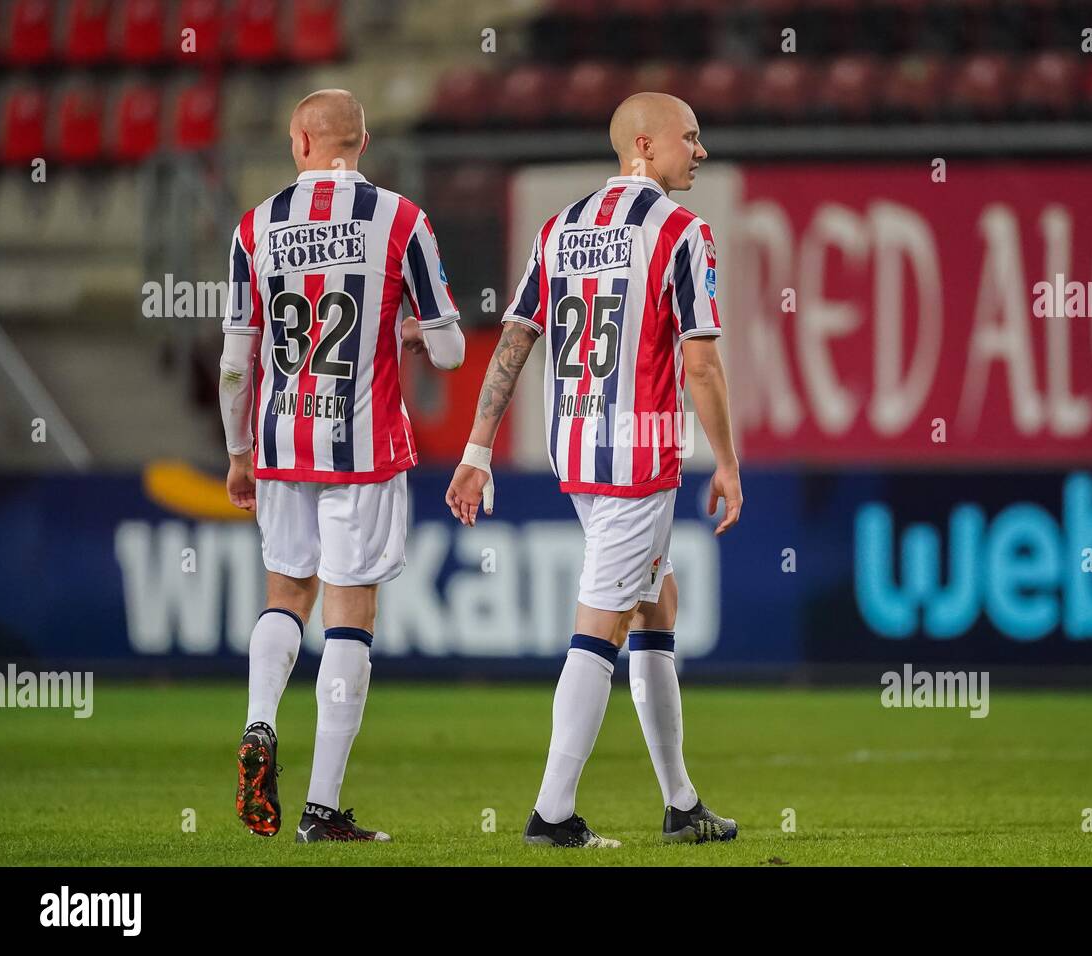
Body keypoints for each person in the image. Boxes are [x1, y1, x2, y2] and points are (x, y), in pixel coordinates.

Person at [445, 92, 742, 847]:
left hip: (574, 454)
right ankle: (551, 815)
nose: (700, 152)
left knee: (654, 607)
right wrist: (730, 464)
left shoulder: (560, 229)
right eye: (690, 138)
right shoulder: (681, 233)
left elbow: (514, 343)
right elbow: (701, 366)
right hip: (638, 458)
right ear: (644, 145)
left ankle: (680, 801)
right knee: (600, 630)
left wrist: (479, 450)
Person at [221, 89, 465, 842]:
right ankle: (322, 810)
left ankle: (260, 723)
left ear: (300, 142)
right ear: (362, 143)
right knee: (349, 613)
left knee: (285, 593)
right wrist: (412, 334)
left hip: (281, 445)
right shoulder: (401, 220)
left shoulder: (255, 227)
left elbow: (237, 362)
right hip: (363, 448)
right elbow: (453, 350)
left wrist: (237, 454)